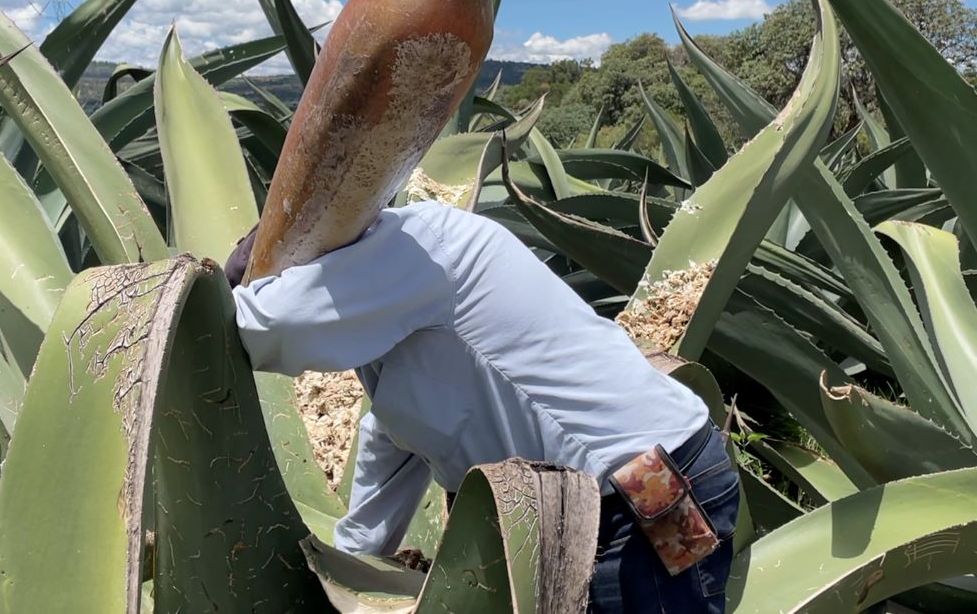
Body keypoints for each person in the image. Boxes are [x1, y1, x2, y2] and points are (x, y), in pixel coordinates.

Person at [225, 200, 739, 614]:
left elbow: (269, 326)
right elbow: (394, 436)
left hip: (648, 496)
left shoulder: (418, 247)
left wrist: (208, 300)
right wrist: (354, 564)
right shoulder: (391, 330)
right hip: (587, 503)